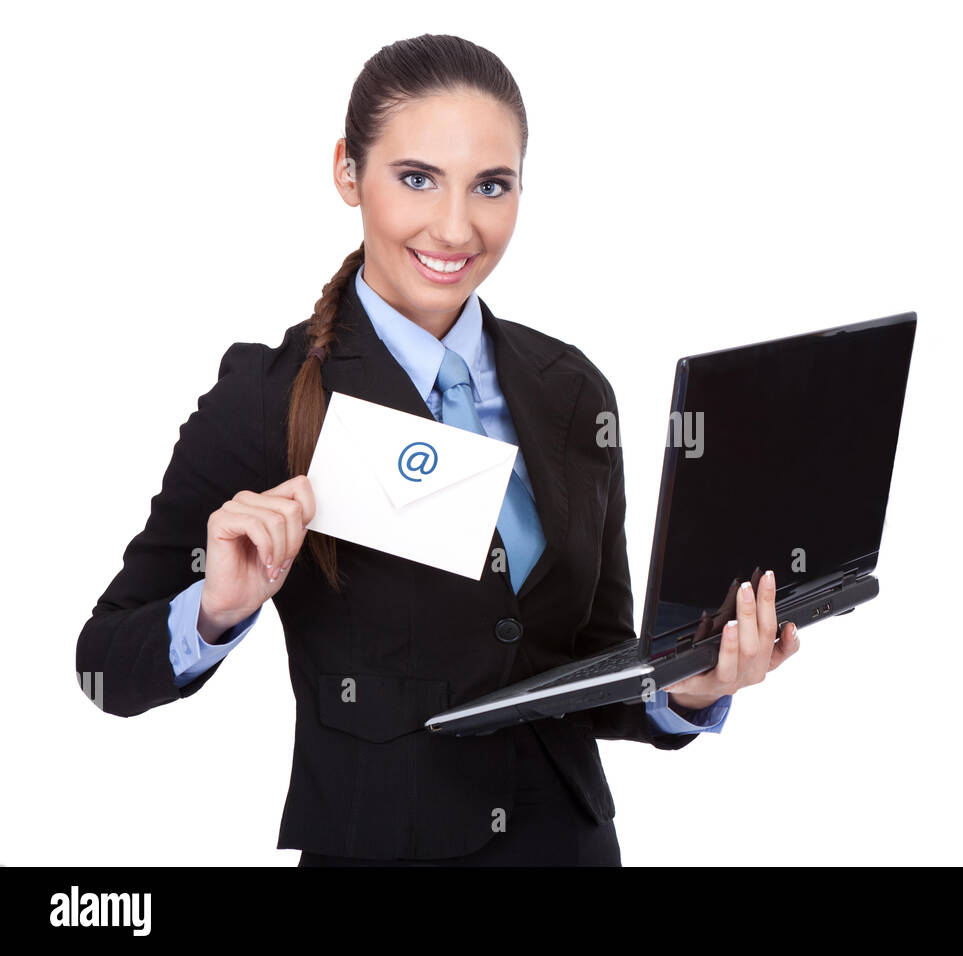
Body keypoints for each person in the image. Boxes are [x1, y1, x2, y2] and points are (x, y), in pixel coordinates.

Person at [76, 33, 799, 866]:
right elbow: (104, 665)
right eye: (416, 178)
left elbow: (595, 671)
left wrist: (693, 684)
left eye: (490, 186)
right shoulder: (268, 400)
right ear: (348, 171)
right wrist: (214, 610)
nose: (455, 228)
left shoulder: (573, 392)